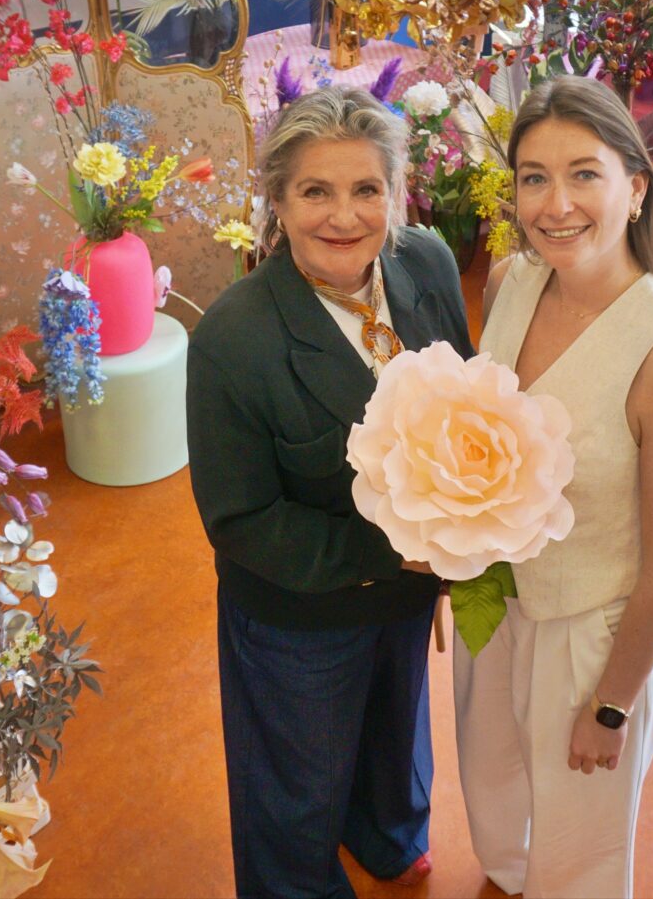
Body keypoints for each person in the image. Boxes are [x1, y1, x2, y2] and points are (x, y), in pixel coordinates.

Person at [187, 86, 475, 899]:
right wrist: (402, 552)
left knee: (395, 728)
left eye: (366, 189)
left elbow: (467, 402)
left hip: (409, 594)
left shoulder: (428, 263)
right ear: (276, 200)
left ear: (397, 191)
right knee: (296, 779)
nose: (344, 216)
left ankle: (387, 834)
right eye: (315, 191)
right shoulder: (233, 338)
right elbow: (241, 521)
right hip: (299, 608)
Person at [453, 75, 653, 898]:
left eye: (584, 173)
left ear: (636, 186)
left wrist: (612, 705)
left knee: (580, 850)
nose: (555, 203)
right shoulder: (512, 282)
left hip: (590, 634)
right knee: (494, 794)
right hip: (496, 602)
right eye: (533, 176)